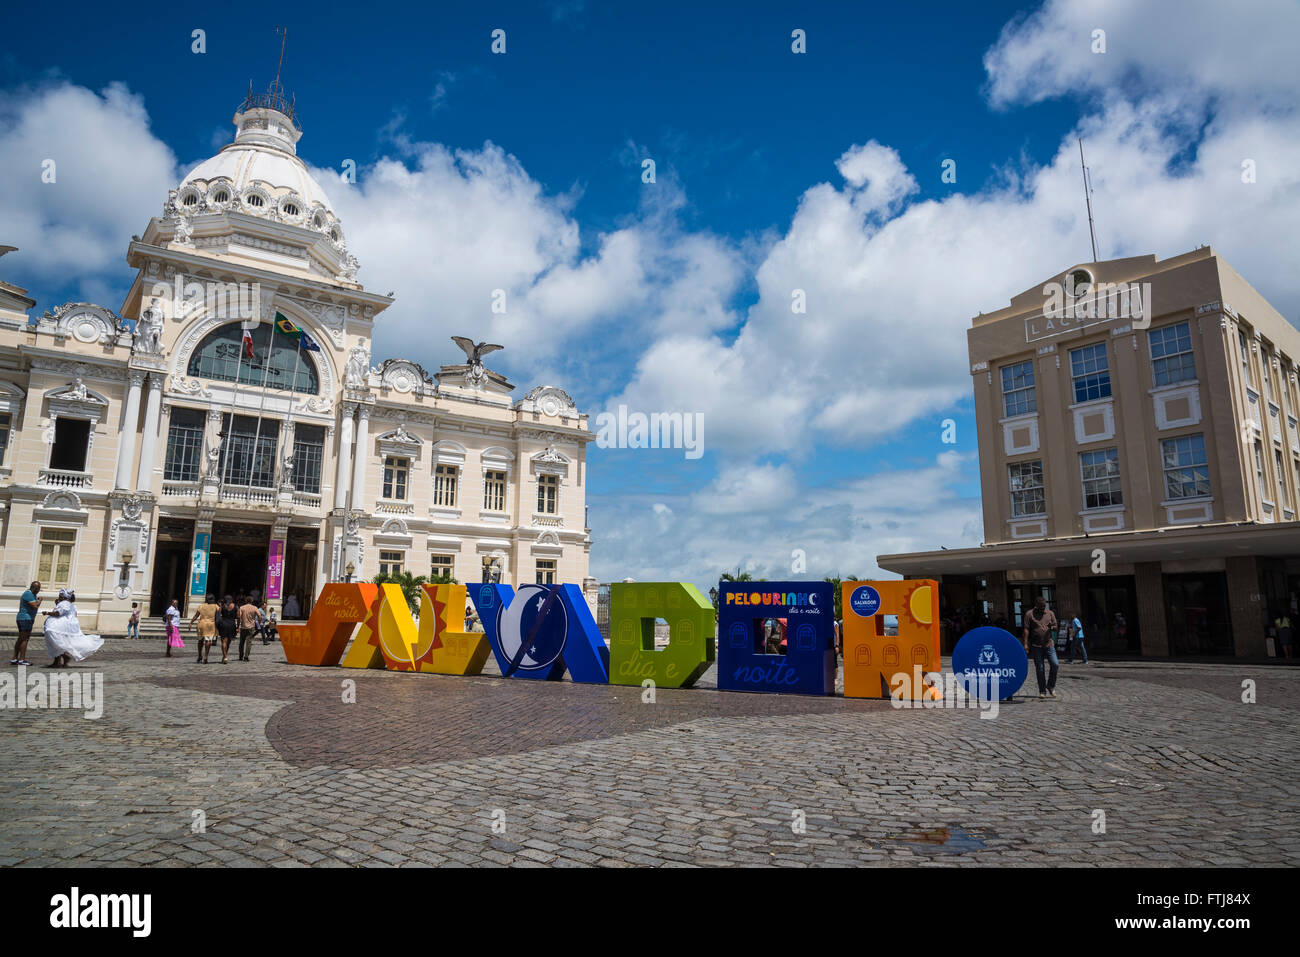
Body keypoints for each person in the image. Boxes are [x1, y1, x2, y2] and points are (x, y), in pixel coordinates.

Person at [43, 590, 103, 667]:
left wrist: (47, 613)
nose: (58, 597)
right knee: (60, 642)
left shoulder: (64, 603)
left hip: (56, 627)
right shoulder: (71, 605)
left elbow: (58, 613)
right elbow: (73, 615)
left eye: (60, 595)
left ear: (64, 596)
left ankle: (64, 657)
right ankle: (59, 661)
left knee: (56, 642)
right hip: (65, 627)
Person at [1022, 596, 1059, 698]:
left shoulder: (1050, 613)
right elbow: (1026, 629)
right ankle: (1042, 691)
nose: (1043, 608)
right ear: (1036, 605)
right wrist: (1025, 643)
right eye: (1041, 606)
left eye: (1044, 606)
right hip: (1036, 646)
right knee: (1040, 669)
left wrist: (1052, 626)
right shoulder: (1029, 614)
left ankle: (1051, 686)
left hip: (1049, 644)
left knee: (1055, 664)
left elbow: (1056, 627)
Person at [11, 580, 41, 666]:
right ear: (32, 587)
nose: (38, 590)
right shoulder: (28, 594)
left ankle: (14, 658)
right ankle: (22, 659)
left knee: (21, 638)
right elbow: (35, 606)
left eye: (39, 588)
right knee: (25, 639)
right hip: (25, 619)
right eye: (36, 588)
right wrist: (40, 600)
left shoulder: (32, 594)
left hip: (27, 618)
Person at [190, 594, 220, 664]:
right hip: (210, 625)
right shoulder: (216, 606)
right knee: (208, 640)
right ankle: (206, 656)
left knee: (200, 640)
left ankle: (200, 655)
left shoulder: (201, 606)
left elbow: (196, 615)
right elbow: (218, 616)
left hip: (201, 624)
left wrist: (191, 623)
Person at [216, 595, 238, 664]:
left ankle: (224, 656)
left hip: (223, 624)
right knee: (228, 641)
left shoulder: (222, 607)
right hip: (232, 624)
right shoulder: (236, 607)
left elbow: (218, 617)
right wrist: (238, 626)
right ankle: (225, 655)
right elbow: (239, 617)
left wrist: (217, 626)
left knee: (223, 641)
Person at [237, 595, 259, 661]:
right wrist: (257, 622)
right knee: (249, 642)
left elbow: (239, 617)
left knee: (241, 642)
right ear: (252, 601)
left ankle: (241, 656)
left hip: (243, 626)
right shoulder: (255, 608)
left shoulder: (242, 607)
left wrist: (238, 626)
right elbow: (259, 616)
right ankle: (246, 656)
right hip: (251, 627)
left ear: (246, 601)